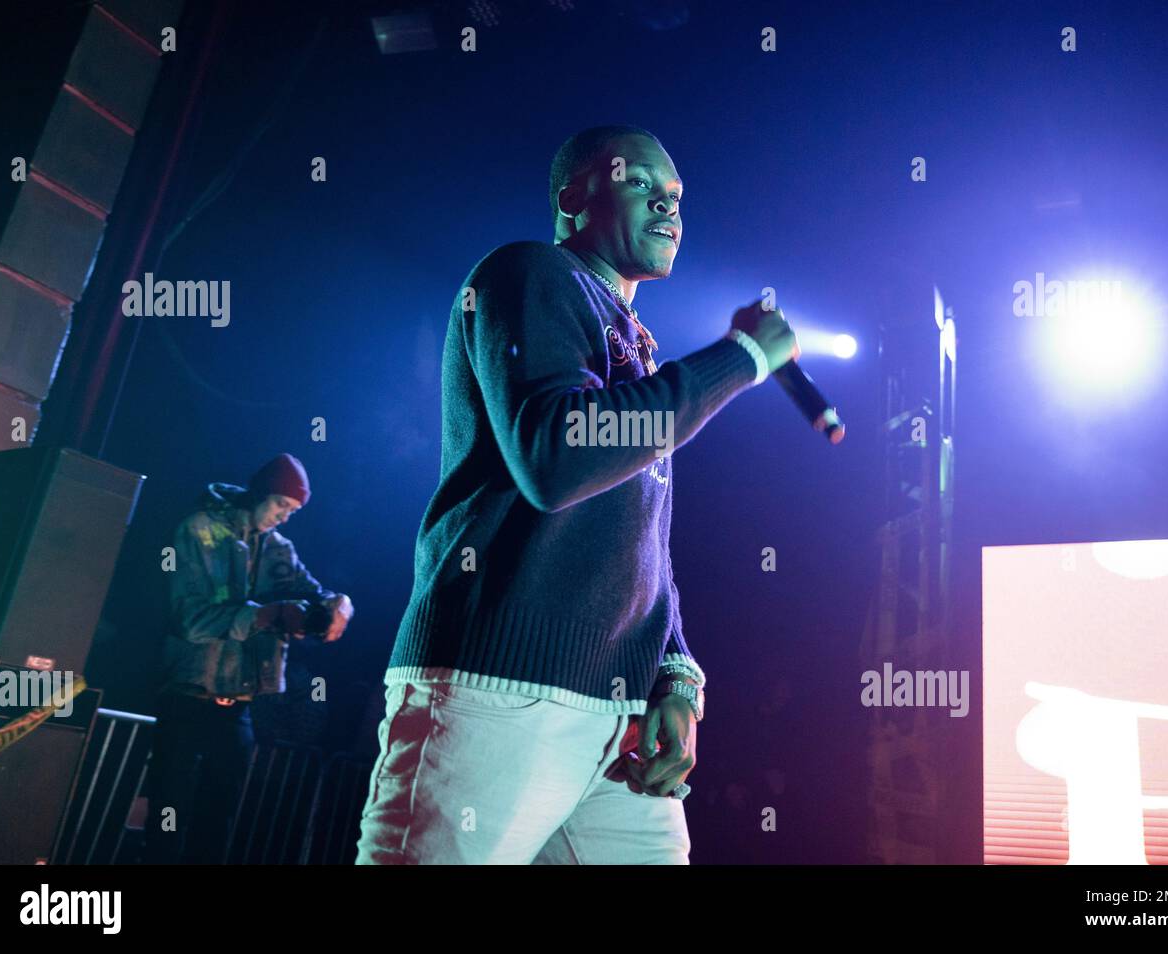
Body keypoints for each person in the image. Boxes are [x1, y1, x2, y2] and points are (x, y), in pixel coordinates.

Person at [356, 125, 797, 864]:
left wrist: (675, 673)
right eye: (639, 182)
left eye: (678, 195)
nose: (667, 202)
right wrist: (741, 358)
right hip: (496, 688)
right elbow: (556, 456)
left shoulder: (639, 349)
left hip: (617, 719)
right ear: (572, 199)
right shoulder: (527, 274)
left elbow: (640, 544)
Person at [143, 453, 353, 864]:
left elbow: (316, 593)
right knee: (169, 814)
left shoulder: (279, 549)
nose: (285, 518)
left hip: (237, 706)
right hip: (187, 698)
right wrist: (267, 615)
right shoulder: (198, 530)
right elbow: (189, 619)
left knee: (218, 819)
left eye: (293, 511)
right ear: (261, 493)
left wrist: (339, 605)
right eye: (282, 506)